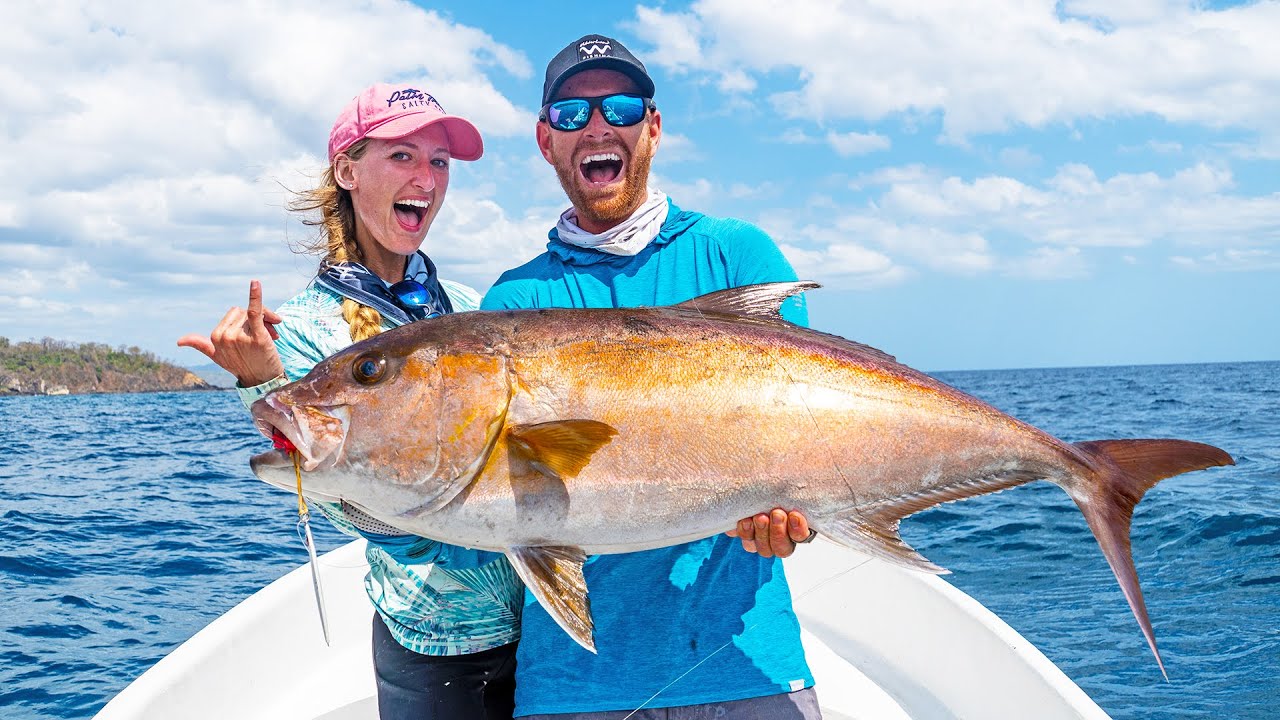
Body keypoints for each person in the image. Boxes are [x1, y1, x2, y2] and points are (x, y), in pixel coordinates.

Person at [481, 35, 822, 719]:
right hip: (571, 688)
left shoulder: (737, 254)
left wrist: (803, 517)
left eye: (621, 108)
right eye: (572, 114)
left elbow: (808, 441)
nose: (597, 127)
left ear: (654, 128)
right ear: (546, 141)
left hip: (747, 669)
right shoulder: (514, 304)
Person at [177, 83, 522, 720]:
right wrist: (264, 387)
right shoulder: (302, 330)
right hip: (432, 647)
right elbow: (356, 512)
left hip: (535, 628)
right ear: (347, 172)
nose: (426, 178)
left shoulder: (474, 308)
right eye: (402, 156)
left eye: (439, 161)